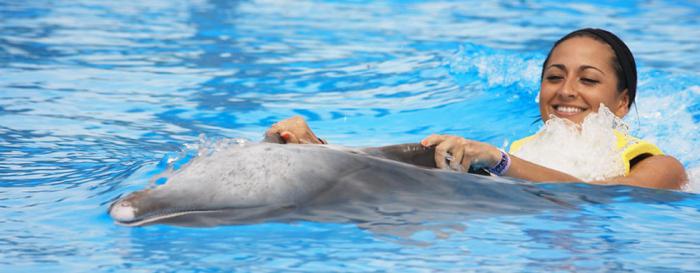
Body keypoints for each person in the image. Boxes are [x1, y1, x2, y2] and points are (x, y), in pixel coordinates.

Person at [265, 28, 688, 190]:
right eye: (555, 77)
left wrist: (502, 163)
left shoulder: (662, 166)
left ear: (622, 101)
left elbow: (598, 194)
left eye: (588, 79)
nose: (566, 91)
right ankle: (321, 148)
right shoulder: (528, 150)